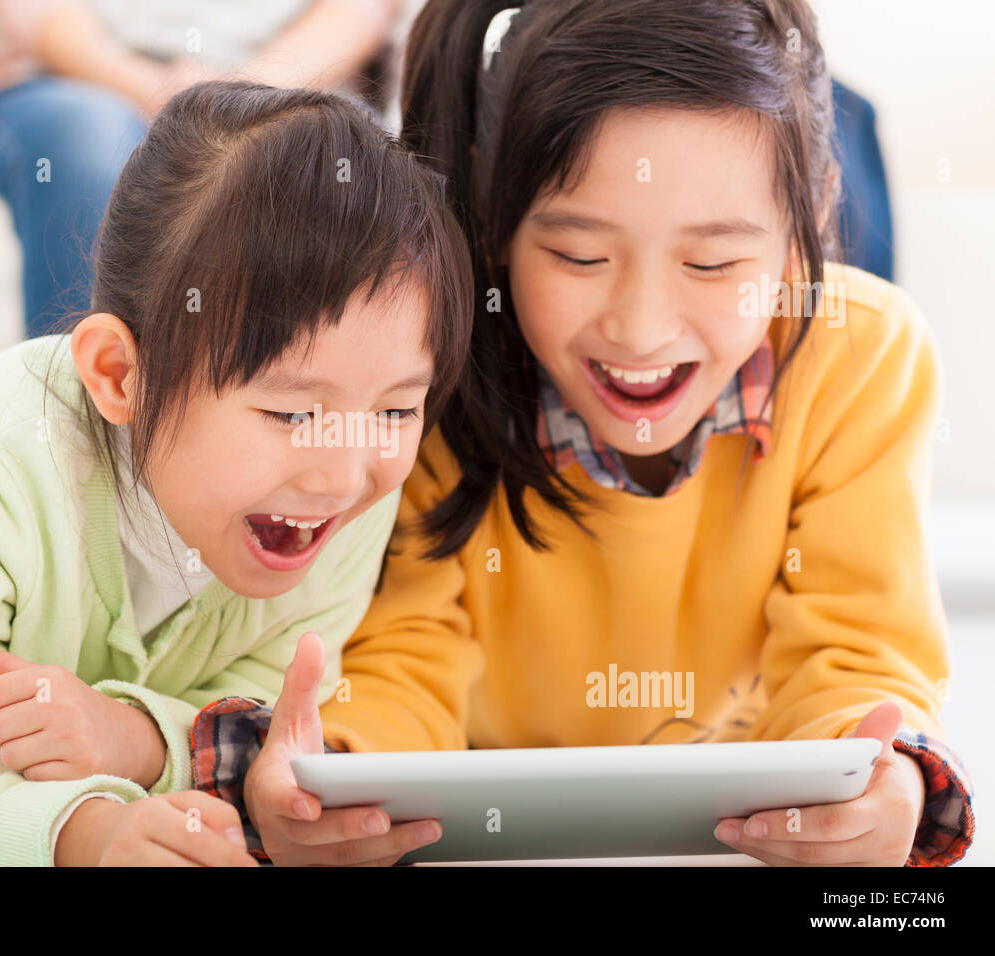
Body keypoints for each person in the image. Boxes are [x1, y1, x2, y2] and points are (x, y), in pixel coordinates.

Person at [225, 0, 974, 867]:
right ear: (495, 227)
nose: (642, 330)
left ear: (801, 238)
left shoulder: (862, 355)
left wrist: (878, 781)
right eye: (579, 257)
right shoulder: (429, 358)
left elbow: (858, 653)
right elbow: (406, 651)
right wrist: (345, 775)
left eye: (713, 263)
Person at [0, 79, 473, 866]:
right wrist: (87, 835)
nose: (343, 473)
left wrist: (131, 738)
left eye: (394, 413)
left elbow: (254, 702)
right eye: (292, 415)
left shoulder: (344, 499)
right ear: (118, 373)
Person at [0, 0, 403, 338]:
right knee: (91, 142)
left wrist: (240, 97)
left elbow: (360, 9)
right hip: (78, 85)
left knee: (338, 156)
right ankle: (81, 443)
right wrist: (160, 93)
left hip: (285, 87)